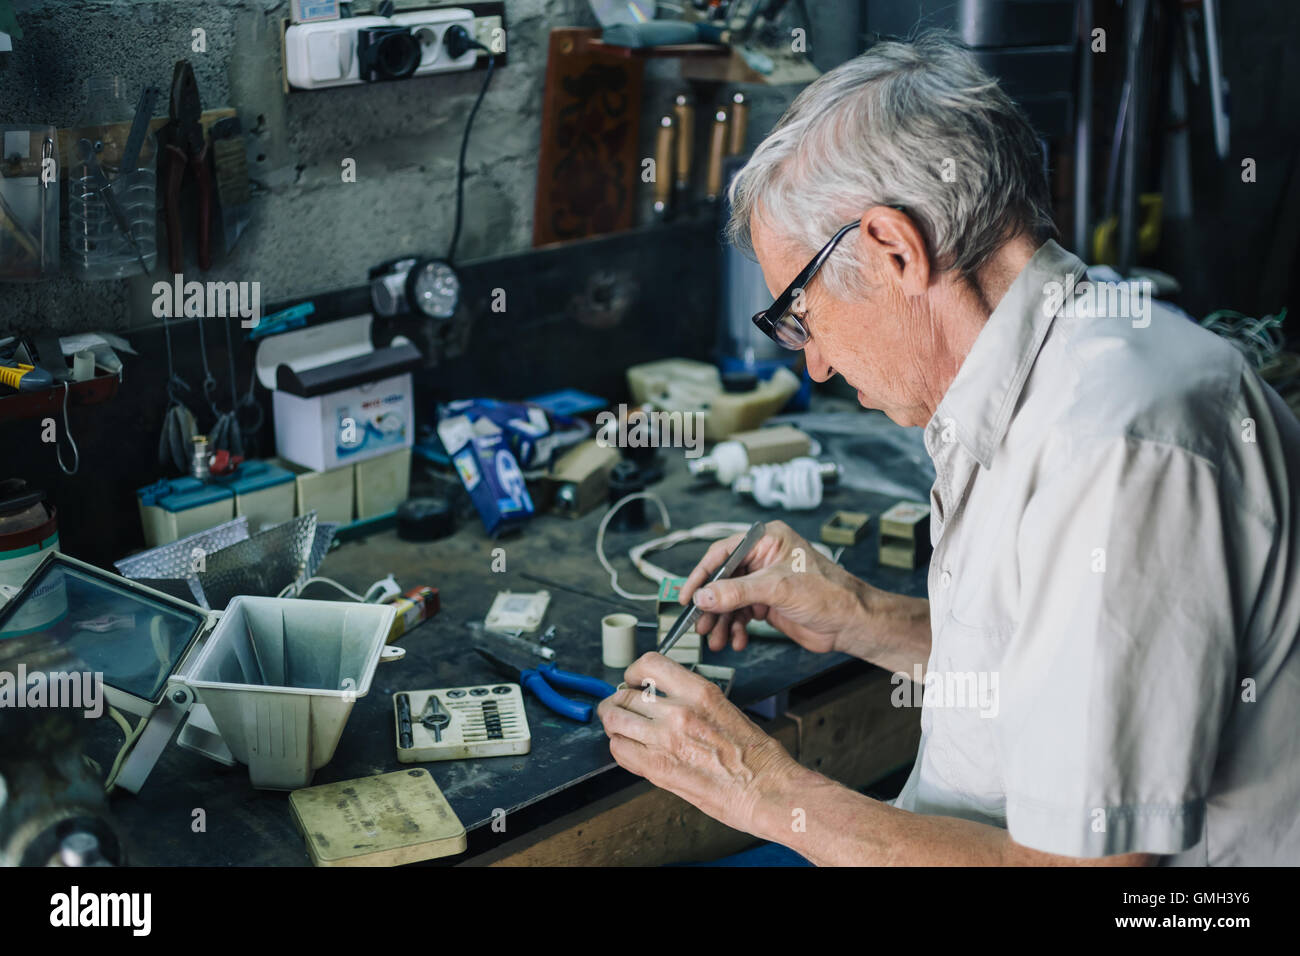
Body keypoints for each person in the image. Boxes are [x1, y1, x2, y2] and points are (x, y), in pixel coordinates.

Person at [596, 33, 1300, 866]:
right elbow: (1051, 675)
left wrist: (759, 788)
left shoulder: (1114, 445)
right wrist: (858, 615)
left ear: (895, 249)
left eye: (804, 317)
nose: (813, 362)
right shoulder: (1059, 359)